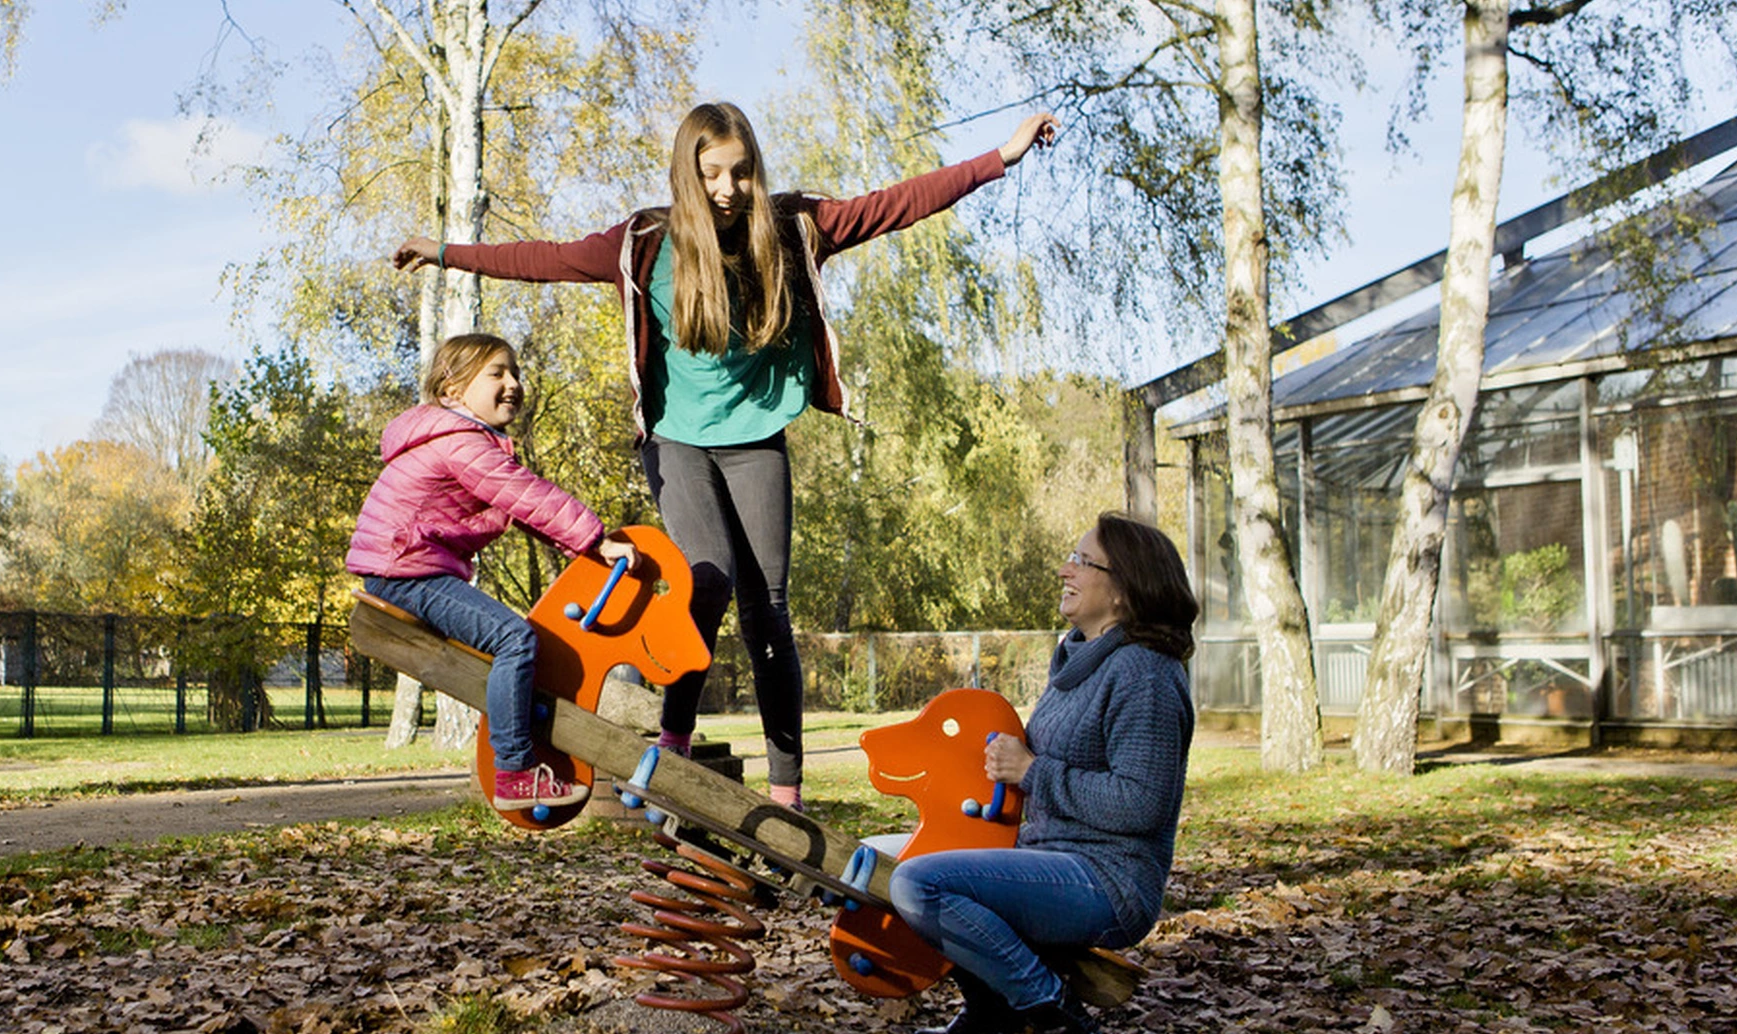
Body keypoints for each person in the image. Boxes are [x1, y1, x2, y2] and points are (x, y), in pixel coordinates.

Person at [393, 102, 1060, 810]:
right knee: (702, 581)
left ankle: (787, 789)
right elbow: (541, 260)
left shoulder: (791, 229)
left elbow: (893, 205)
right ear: (688, 172)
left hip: (755, 440)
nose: (728, 188)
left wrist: (1001, 157)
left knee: (767, 608)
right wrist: (442, 253)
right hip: (677, 441)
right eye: (712, 172)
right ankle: (674, 745)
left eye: (741, 172)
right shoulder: (642, 243)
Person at [888, 512, 1199, 1034]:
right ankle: (990, 1016)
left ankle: (1051, 1013)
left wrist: (1033, 770)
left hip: (1109, 879)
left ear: (1123, 590)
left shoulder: (1144, 674)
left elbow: (1141, 802)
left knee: (921, 882)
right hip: (1047, 854)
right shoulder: (1080, 662)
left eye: (1082, 561)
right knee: (894, 853)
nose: (1064, 570)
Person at [346, 332, 638, 812]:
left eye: (515, 372)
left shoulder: (458, 437)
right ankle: (514, 773)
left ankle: (515, 757)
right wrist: (595, 537)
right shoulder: (461, 442)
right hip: (406, 570)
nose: (513, 383)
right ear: (453, 391)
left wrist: (582, 549)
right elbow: (525, 494)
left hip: (403, 566)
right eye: (496, 373)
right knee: (514, 640)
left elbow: (520, 509)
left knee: (511, 640)